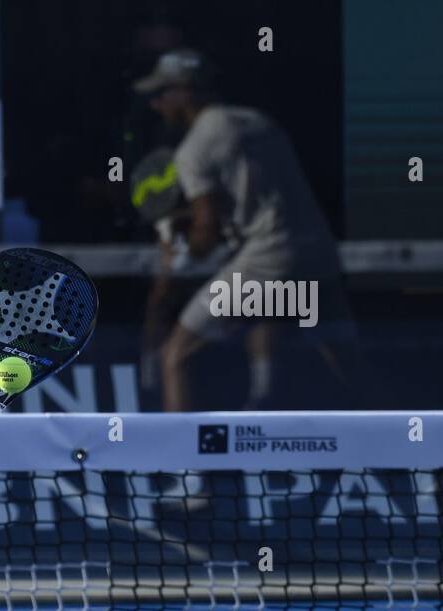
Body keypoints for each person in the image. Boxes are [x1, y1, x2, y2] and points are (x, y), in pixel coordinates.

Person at [134, 50, 361, 411]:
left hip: (268, 259)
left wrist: (181, 261)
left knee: (175, 355)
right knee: (347, 364)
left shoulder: (194, 150)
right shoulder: (259, 122)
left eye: (162, 93)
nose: (157, 104)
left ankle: (182, 466)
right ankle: (393, 449)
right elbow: (257, 197)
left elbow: (206, 227)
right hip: (318, 255)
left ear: (185, 91)